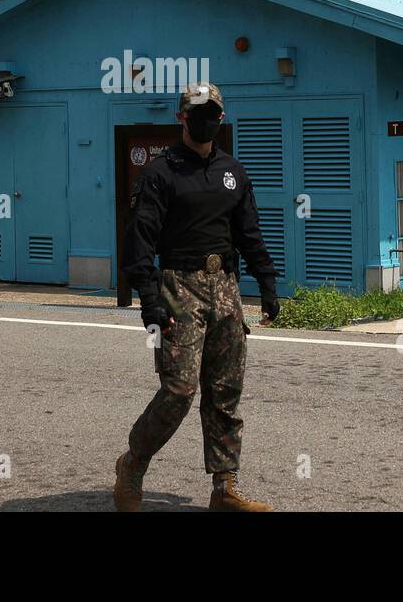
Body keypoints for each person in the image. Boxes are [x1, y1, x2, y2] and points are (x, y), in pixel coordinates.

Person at [114, 82, 280, 512]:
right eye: (198, 113)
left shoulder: (233, 173)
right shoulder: (160, 173)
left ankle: (225, 487)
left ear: (221, 119)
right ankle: (133, 463)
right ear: (181, 118)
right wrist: (149, 300)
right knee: (180, 390)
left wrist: (267, 284)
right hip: (178, 287)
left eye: (214, 114)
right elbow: (139, 244)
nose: (207, 120)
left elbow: (250, 234)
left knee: (225, 392)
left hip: (225, 288)